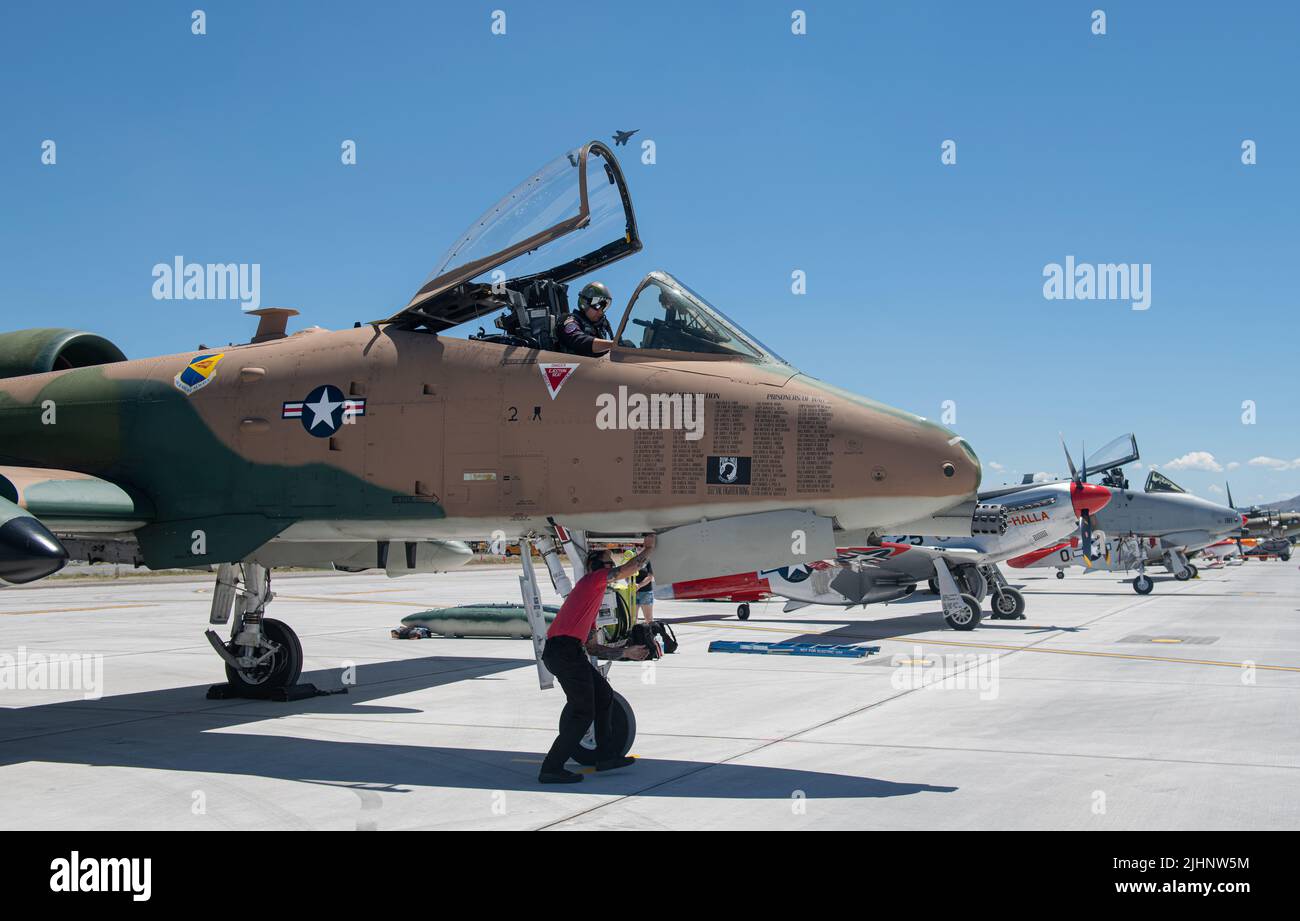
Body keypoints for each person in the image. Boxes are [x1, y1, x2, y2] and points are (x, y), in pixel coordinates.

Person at [538, 534, 655, 784]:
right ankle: (551, 767)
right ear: (596, 568)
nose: (612, 569)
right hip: (562, 652)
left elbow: (593, 649)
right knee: (583, 711)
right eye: (608, 564)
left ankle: (605, 757)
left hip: (569, 652)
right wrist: (649, 549)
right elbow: (630, 569)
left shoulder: (591, 600)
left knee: (603, 696)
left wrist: (625, 652)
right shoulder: (591, 580)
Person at [556, 281, 616, 357]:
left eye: (604, 308)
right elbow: (579, 341)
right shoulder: (570, 320)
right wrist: (613, 344)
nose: (601, 312)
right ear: (585, 303)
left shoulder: (600, 325)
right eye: (597, 306)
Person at [634, 560, 654, 625]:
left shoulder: (648, 561)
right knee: (633, 618)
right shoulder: (632, 560)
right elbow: (626, 575)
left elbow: (650, 577)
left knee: (648, 618)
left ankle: (651, 634)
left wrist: (639, 586)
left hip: (646, 592)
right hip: (633, 592)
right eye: (637, 548)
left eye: (641, 548)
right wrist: (631, 583)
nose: (639, 549)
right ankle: (634, 634)